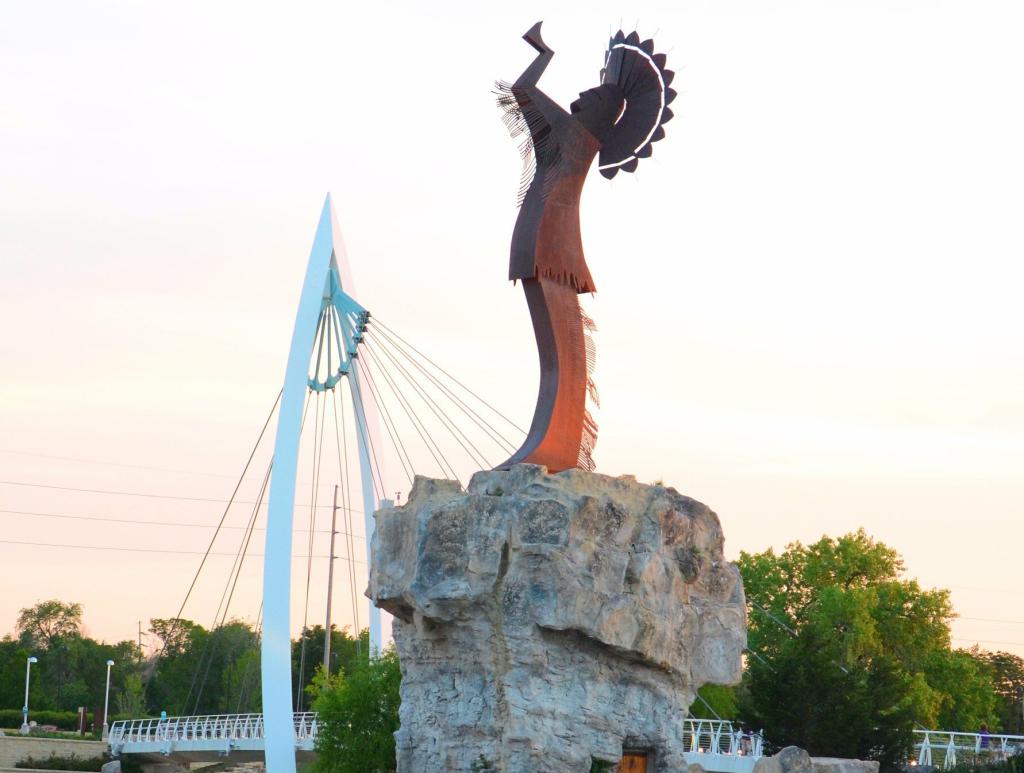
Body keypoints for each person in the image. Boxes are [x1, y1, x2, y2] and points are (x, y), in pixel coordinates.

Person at [495, 22, 675, 472]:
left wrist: (542, 55)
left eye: (590, 98)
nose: (577, 99)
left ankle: (553, 446)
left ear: (603, 114)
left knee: (563, 354)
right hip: (545, 239)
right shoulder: (570, 140)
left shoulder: (576, 138)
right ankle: (551, 443)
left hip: (554, 247)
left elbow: (523, 91)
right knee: (560, 352)